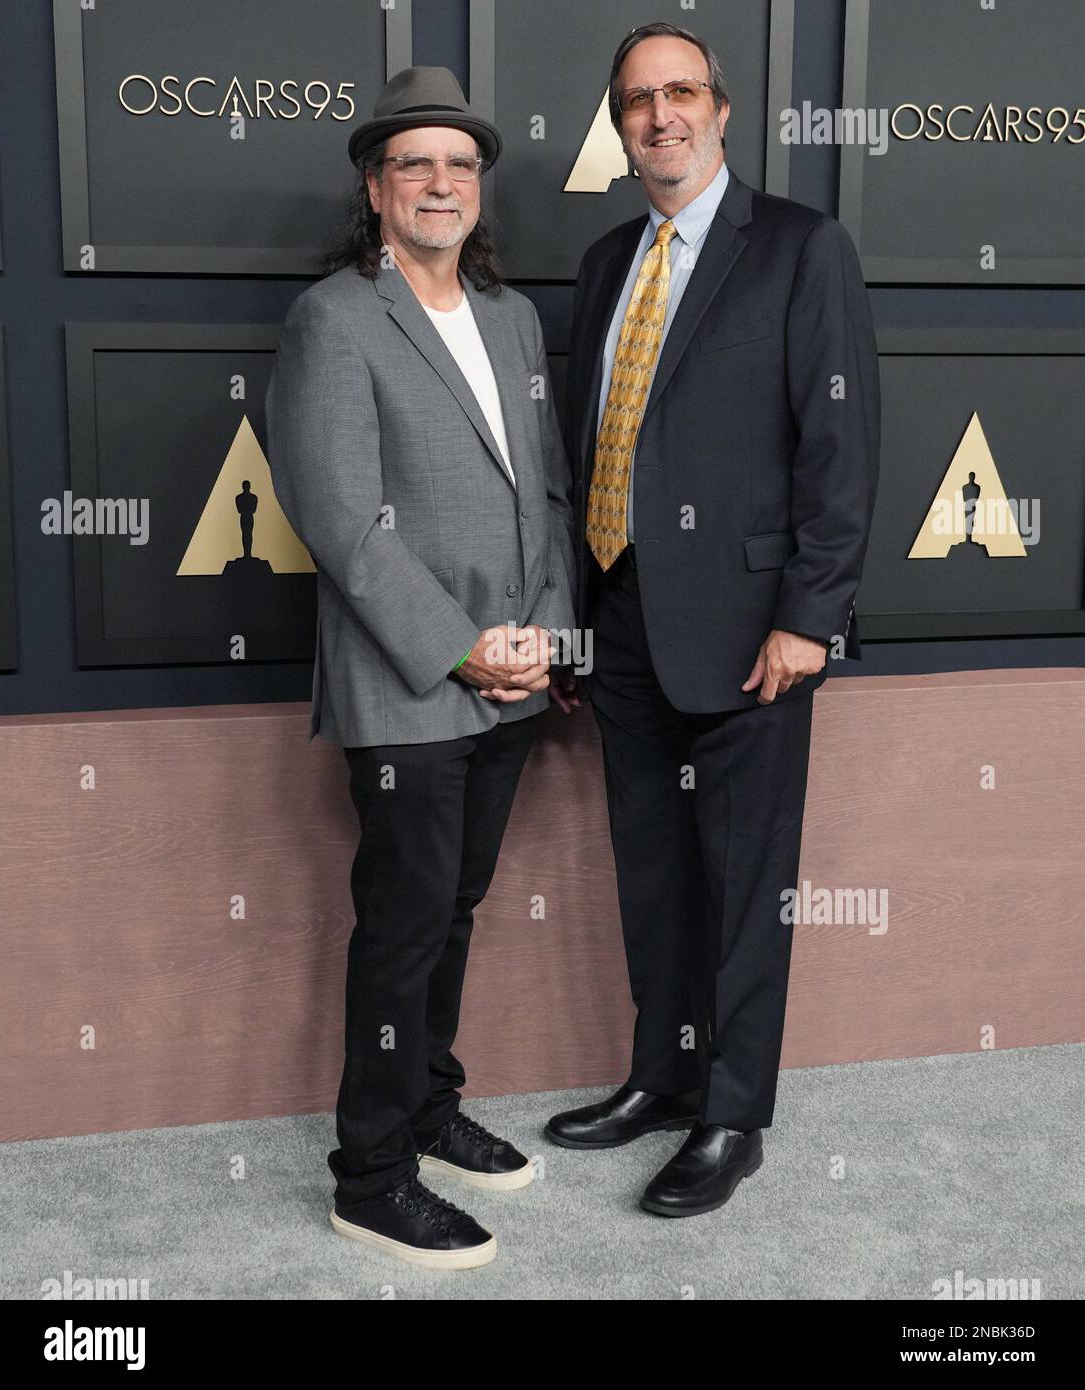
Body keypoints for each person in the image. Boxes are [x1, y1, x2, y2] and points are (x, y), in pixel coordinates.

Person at [546, 22, 880, 1218]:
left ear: (721, 110)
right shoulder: (602, 263)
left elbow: (839, 453)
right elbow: (590, 448)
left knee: (743, 882)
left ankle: (732, 1115)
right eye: (636, 99)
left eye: (680, 91)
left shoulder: (798, 247)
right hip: (622, 617)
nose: (660, 116)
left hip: (752, 633)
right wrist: (581, 617)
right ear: (618, 122)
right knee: (651, 875)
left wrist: (809, 618)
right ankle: (663, 1077)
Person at [266, 66, 575, 1268]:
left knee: (454, 909)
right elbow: (339, 516)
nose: (438, 183)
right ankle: (372, 1172)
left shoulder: (509, 317)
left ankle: (430, 1104)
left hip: (513, 677)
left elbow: (542, 491)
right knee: (400, 927)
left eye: (458, 164)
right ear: (374, 185)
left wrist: (540, 631)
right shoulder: (336, 316)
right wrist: (460, 646)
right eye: (413, 164)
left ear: (477, 187)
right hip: (410, 685)